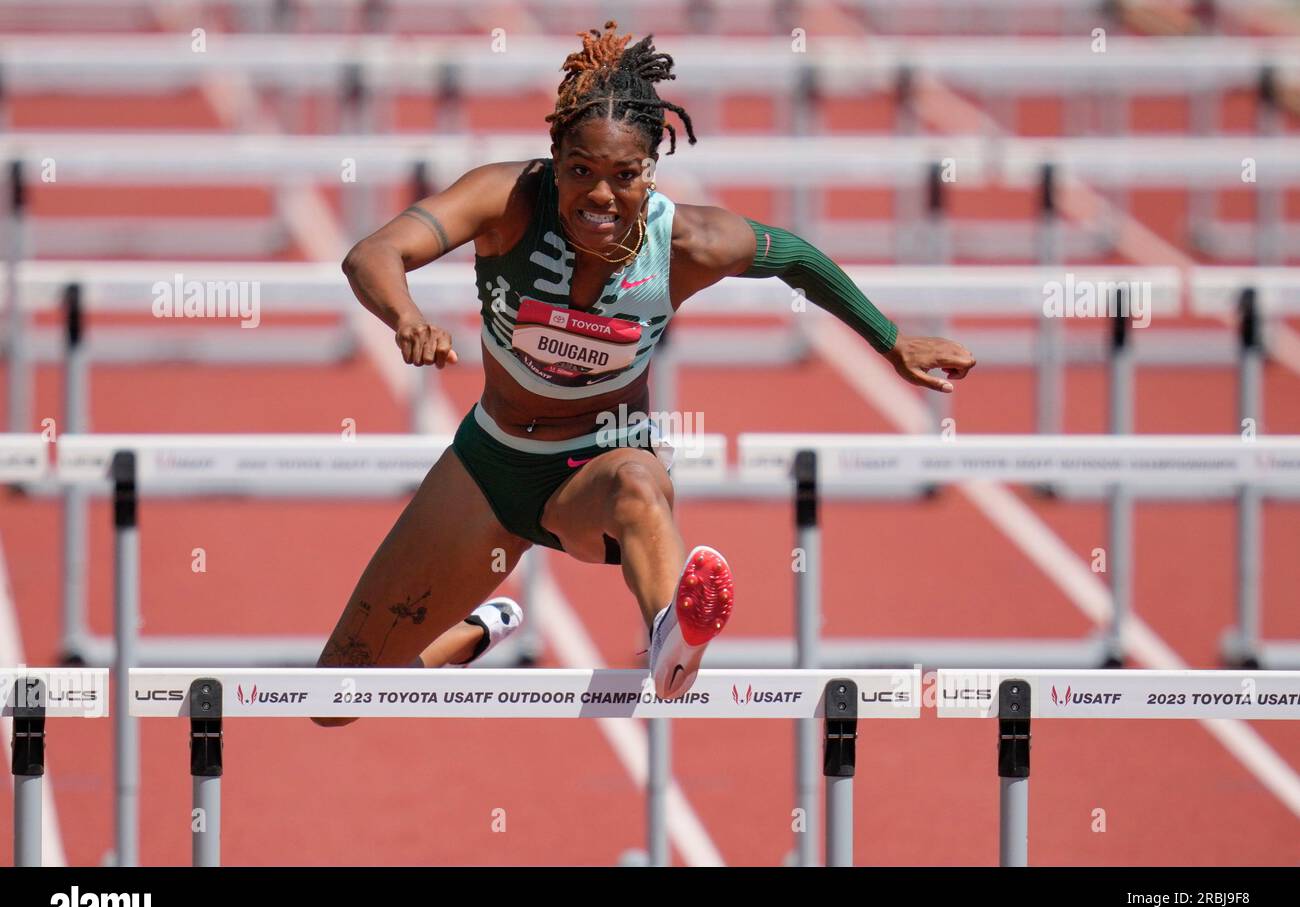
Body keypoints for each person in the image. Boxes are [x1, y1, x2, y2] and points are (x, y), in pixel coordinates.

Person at [312, 21, 975, 727]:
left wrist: (890, 339)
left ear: (651, 171)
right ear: (554, 160)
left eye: (624, 177)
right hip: (488, 463)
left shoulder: (687, 243)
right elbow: (372, 254)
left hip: (596, 463)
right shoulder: (503, 201)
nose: (600, 198)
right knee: (335, 702)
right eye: (580, 173)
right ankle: (475, 632)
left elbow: (795, 258)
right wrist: (405, 316)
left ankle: (671, 633)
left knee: (638, 483)